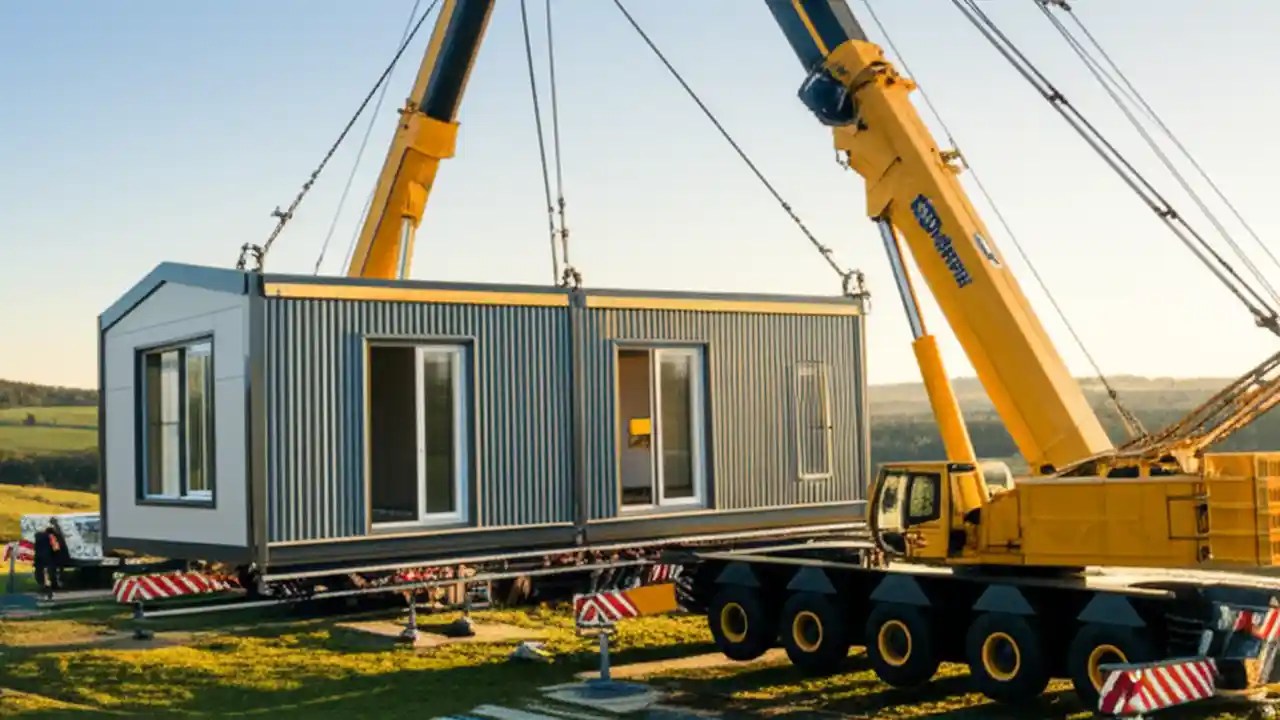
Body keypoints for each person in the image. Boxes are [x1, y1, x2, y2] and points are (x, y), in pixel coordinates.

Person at [32, 525, 61, 600]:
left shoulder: (38, 536)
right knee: (47, 574)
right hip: (47, 558)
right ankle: (49, 591)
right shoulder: (51, 536)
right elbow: (56, 548)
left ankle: (41, 586)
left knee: (39, 571)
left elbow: (35, 547)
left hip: (38, 557)